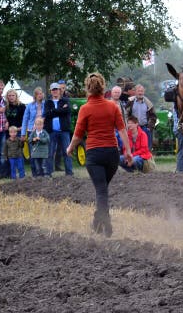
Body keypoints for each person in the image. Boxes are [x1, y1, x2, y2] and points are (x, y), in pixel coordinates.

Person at [66, 72, 132, 237]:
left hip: (94, 155)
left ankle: (106, 224)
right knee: (102, 189)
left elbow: (78, 135)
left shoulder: (85, 109)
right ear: (103, 88)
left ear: (87, 88)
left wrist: (70, 148)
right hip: (112, 154)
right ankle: (97, 222)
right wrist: (129, 152)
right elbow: (122, 130)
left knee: (101, 190)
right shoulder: (112, 106)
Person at [44, 82, 73, 176]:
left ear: (60, 90)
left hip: (64, 130)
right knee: (50, 152)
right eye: (53, 90)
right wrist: (60, 110)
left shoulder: (65, 100)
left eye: (56, 89)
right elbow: (47, 114)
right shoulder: (48, 102)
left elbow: (67, 111)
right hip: (51, 131)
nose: (55, 91)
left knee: (67, 151)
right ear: (50, 91)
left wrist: (53, 110)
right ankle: (48, 173)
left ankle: (69, 173)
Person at [2, 89, 26, 178]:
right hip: (8, 133)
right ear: (7, 97)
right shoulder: (5, 107)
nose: (11, 97)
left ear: (16, 96)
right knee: (8, 153)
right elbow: (3, 118)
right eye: (9, 96)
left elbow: (25, 119)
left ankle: (21, 174)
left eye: (13, 95)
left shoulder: (22, 106)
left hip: (18, 131)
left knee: (18, 153)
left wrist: (20, 129)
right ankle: (9, 174)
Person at [126, 84, 157, 151]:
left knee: (146, 147)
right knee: (134, 147)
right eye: (139, 91)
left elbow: (153, 116)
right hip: (133, 128)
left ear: (144, 92)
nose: (140, 93)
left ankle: (147, 157)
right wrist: (128, 125)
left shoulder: (148, 103)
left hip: (145, 127)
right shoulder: (130, 102)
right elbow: (126, 114)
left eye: (142, 91)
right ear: (135, 92)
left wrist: (149, 127)